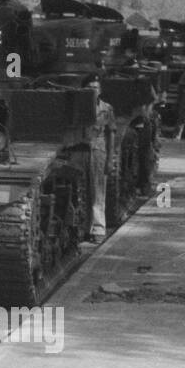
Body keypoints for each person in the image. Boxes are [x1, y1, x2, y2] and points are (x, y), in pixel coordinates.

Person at [82, 72, 116, 243]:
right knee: (83, 190)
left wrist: (110, 159)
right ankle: (83, 228)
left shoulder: (106, 108)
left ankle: (98, 228)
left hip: (98, 149)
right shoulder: (78, 107)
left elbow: (111, 133)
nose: (93, 91)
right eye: (89, 88)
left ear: (100, 90)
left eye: (95, 88)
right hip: (80, 149)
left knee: (98, 190)